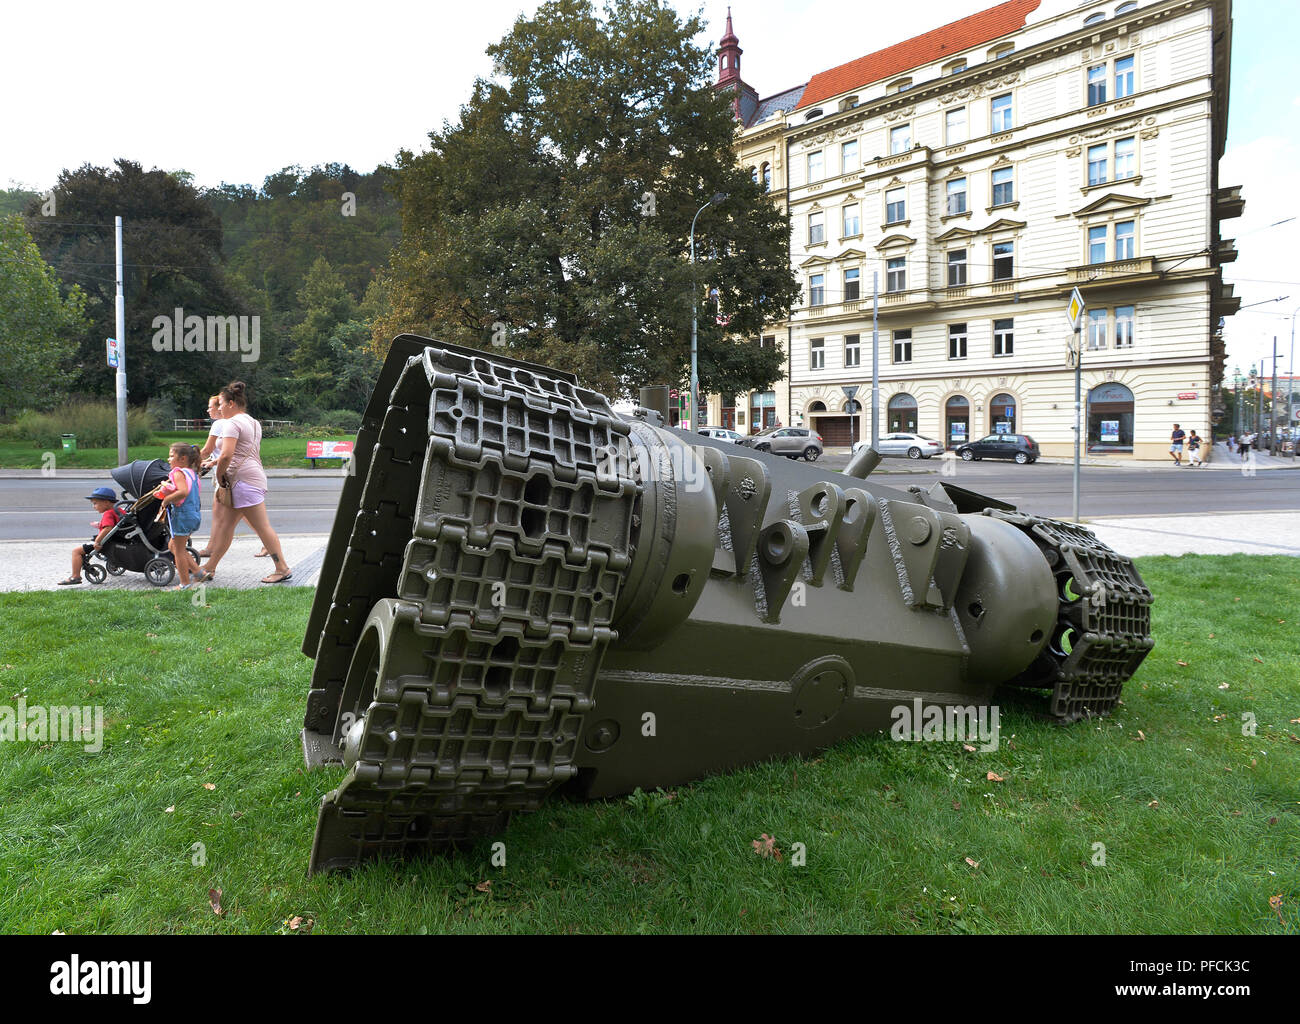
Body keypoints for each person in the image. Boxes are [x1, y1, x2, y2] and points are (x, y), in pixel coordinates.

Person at [201, 381, 293, 584]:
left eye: (222, 404)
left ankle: (282, 568)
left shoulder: (232, 423)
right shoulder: (252, 422)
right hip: (251, 477)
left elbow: (227, 455)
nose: (219, 408)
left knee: (262, 527)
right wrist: (214, 462)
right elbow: (243, 451)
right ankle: (209, 568)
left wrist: (219, 475)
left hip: (241, 481)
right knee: (226, 527)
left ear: (232, 403)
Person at [152, 442, 204, 588]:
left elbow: (183, 492)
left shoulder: (177, 472)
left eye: (171, 456)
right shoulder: (192, 473)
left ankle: (185, 584)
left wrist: (166, 500)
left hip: (182, 516)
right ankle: (198, 572)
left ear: (182, 458)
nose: (168, 459)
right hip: (193, 515)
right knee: (173, 545)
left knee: (179, 551)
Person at [59, 487, 120, 585]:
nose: (94, 506)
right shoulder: (118, 510)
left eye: (95, 503)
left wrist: (97, 542)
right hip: (116, 539)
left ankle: (75, 577)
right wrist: (100, 525)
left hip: (105, 542)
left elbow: (108, 528)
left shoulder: (108, 513)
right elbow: (113, 525)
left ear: (106, 502)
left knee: (76, 551)